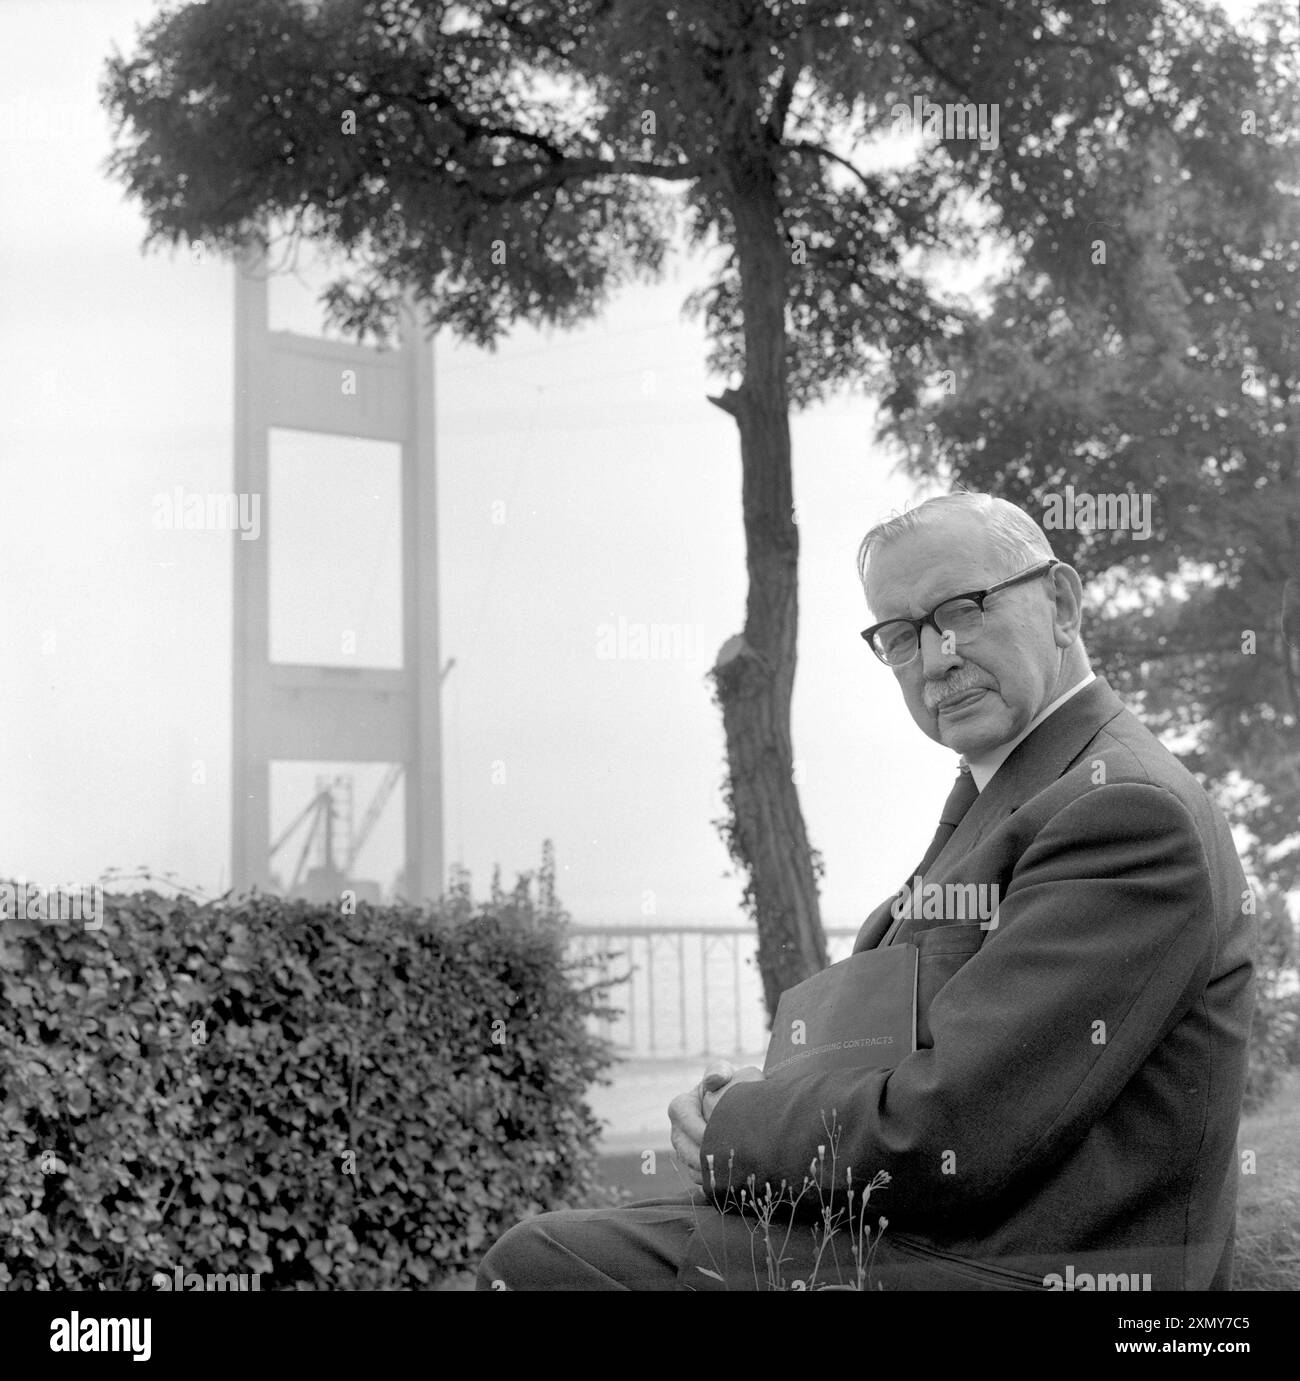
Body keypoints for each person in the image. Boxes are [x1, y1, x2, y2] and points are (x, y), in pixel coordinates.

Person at [476, 492, 1255, 1290]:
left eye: (962, 609)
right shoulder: (1018, 791)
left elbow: (957, 1126)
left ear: (1060, 602)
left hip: (1021, 1266)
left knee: (543, 1263)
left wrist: (733, 1128)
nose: (937, 656)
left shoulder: (1122, 810)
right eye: (899, 634)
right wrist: (767, 1096)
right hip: (945, 1243)